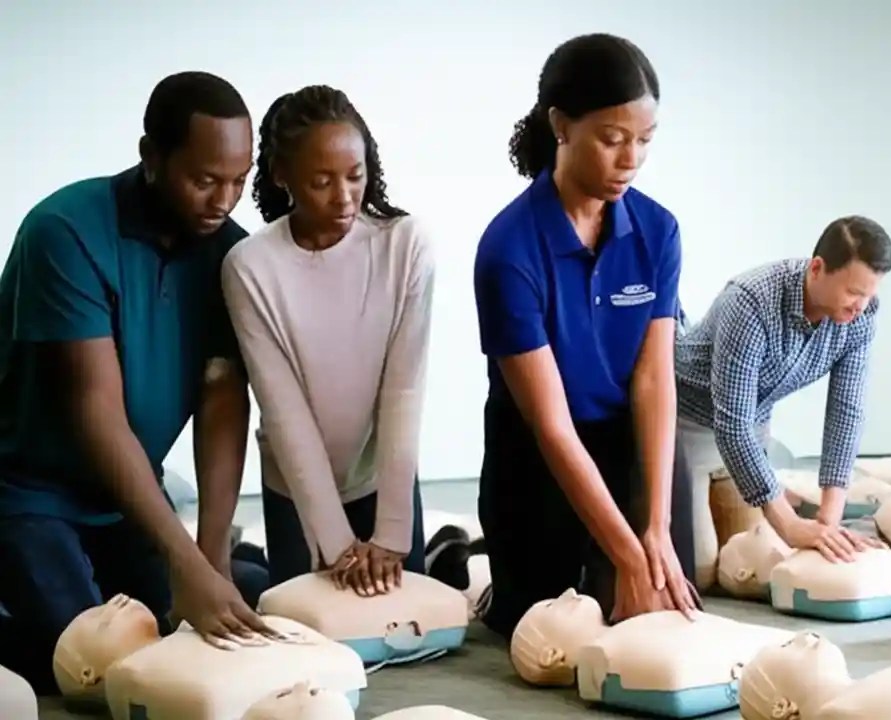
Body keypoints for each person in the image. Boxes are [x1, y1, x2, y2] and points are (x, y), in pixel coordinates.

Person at [0, 71, 281, 693]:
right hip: (26, 494)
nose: (224, 199)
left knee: (213, 617)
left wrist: (207, 560)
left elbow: (222, 407)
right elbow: (94, 410)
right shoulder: (65, 232)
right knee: (93, 664)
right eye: (204, 179)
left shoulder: (230, 255)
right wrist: (183, 562)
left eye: (238, 180)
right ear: (151, 158)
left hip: (126, 500)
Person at [472, 32, 698, 640]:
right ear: (561, 126)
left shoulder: (658, 231)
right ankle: (466, 564)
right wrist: (625, 556)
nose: (631, 159)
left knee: (651, 617)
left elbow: (654, 380)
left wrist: (653, 531)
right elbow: (550, 424)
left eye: (645, 141)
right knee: (545, 631)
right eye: (613, 139)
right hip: (539, 455)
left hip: (627, 444)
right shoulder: (509, 250)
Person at [222, 85, 437, 595]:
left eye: (354, 176)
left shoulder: (405, 243)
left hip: (382, 480)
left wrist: (390, 536)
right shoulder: (251, 267)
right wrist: (337, 545)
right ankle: (242, 560)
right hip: (294, 489)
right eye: (321, 181)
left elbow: (403, 392)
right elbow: (284, 411)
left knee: (412, 630)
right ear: (281, 176)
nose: (343, 197)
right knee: (304, 631)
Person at [674, 216, 891, 582]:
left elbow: (847, 412)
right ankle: (781, 496)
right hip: (687, 425)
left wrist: (828, 523)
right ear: (818, 269)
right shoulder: (752, 301)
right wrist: (790, 526)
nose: (861, 305)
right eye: (854, 292)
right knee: (699, 570)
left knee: (754, 566)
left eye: (870, 293)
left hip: (751, 433)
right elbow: (733, 422)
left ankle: (782, 495)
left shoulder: (862, 314)